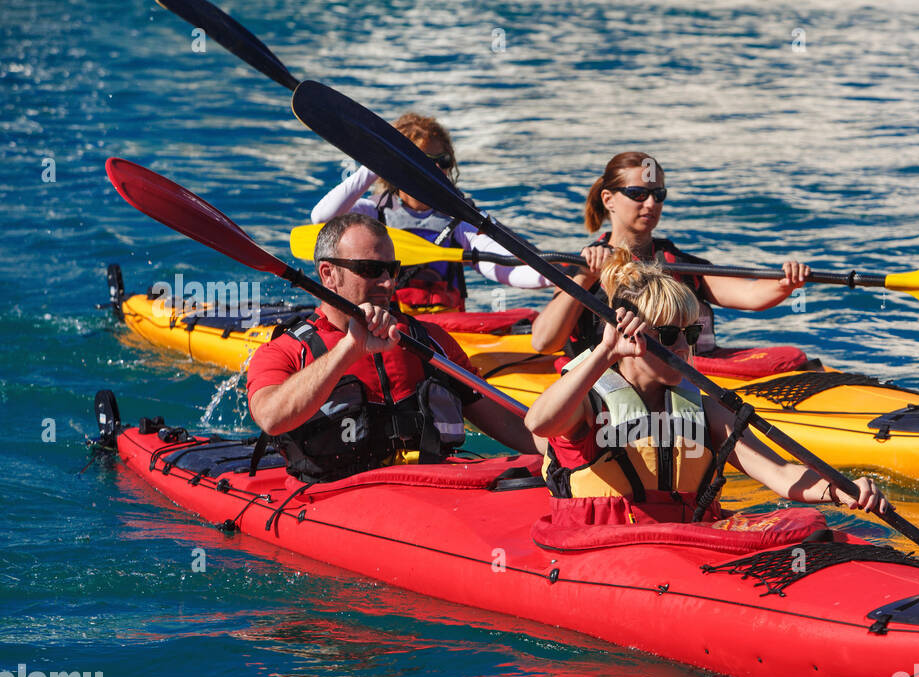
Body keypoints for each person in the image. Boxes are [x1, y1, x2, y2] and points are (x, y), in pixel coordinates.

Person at [524, 250, 889, 526]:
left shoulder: (704, 407)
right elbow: (538, 424)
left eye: (691, 333)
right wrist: (604, 352)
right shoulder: (591, 398)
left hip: (688, 543)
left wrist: (837, 489)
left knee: (809, 528)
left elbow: (779, 473)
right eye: (668, 336)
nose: (684, 347)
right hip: (601, 547)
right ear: (626, 337)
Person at [248, 214, 541, 482]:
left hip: (430, 487)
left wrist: (567, 449)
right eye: (372, 269)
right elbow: (271, 418)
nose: (388, 283)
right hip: (331, 498)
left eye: (393, 270)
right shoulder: (286, 351)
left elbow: (507, 423)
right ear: (328, 274)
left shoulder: (428, 340)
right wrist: (350, 348)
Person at [530, 151, 810, 357]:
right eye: (638, 194)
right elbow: (544, 342)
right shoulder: (583, 263)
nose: (651, 203)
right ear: (608, 199)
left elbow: (749, 296)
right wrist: (585, 277)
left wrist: (785, 284)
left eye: (658, 194)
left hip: (683, 373)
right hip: (612, 381)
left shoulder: (677, 261)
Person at [311, 112, 549, 311]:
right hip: (389, 325)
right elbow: (322, 218)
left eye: (442, 161)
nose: (436, 169)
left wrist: (557, 277)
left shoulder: (462, 218)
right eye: (424, 161)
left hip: (446, 329)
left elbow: (499, 266)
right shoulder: (375, 212)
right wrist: (378, 161)